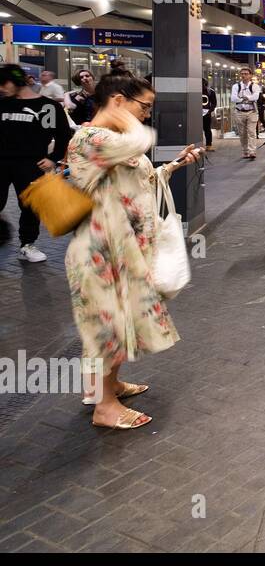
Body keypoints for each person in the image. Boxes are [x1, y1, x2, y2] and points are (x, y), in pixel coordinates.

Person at [64, 70, 201, 430]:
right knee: (103, 328)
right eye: (144, 106)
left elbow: (138, 180)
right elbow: (139, 143)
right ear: (119, 101)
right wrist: (131, 123)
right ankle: (103, 407)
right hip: (99, 251)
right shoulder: (90, 138)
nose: (146, 114)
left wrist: (173, 166)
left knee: (120, 323)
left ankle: (109, 387)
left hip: (124, 251)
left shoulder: (115, 139)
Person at [0, 64, 74, 262]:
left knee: (30, 206)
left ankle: (27, 245)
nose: (0, 87)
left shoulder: (49, 107)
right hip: (1, 162)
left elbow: (64, 135)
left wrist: (54, 159)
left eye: (3, 83)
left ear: (16, 81)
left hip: (32, 164)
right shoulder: (2, 103)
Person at [230, 67, 261, 159]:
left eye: (246, 74)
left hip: (252, 112)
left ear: (250, 75)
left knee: (252, 132)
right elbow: (233, 98)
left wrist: (243, 97)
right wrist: (247, 98)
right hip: (239, 112)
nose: (244, 75)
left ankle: (252, 151)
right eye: (242, 73)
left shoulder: (255, 86)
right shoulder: (236, 86)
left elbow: (255, 97)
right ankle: (245, 151)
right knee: (242, 133)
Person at [200, 77, 217, 150]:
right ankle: (196, 145)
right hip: (195, 113)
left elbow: (213, 103)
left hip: (206, 113)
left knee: (207, 129)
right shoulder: (193, 91)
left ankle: (208, 145)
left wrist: (209, 111)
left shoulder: (210, 91)